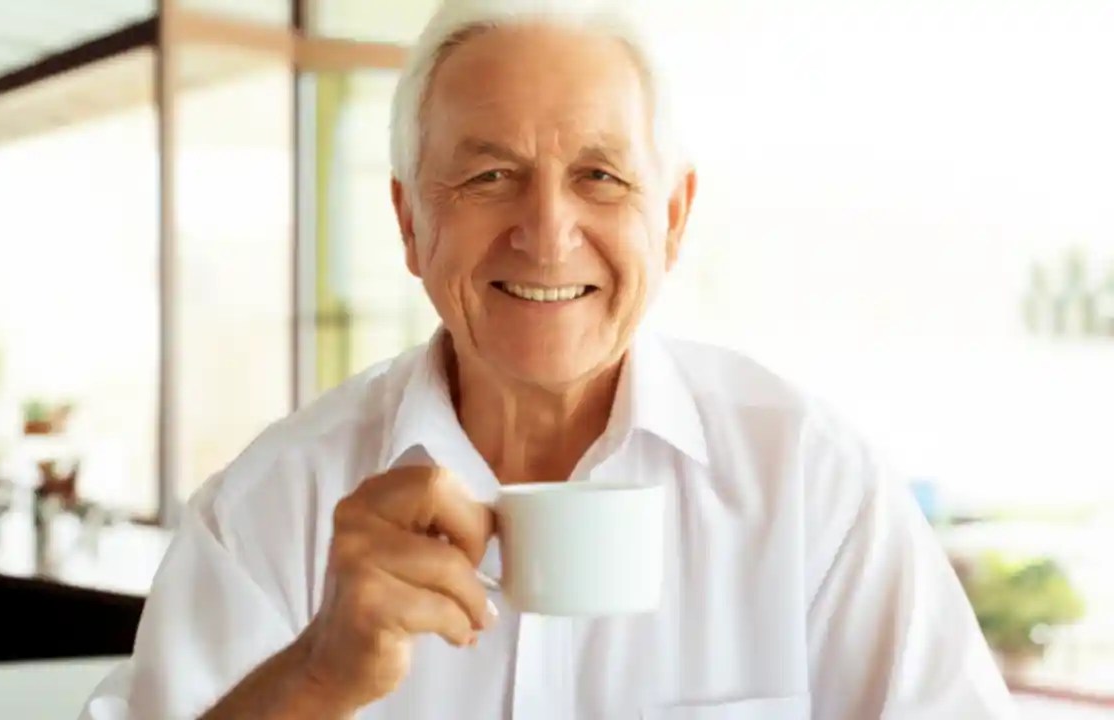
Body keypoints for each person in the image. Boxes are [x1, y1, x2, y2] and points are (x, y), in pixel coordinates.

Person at [81, 1, 1015, 718]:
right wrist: (316, 678)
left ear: (674, 218)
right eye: (489, 177)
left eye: (600, 177)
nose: (546, 233)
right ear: (410, 223)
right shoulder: (269, 512)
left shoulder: (807, 483)